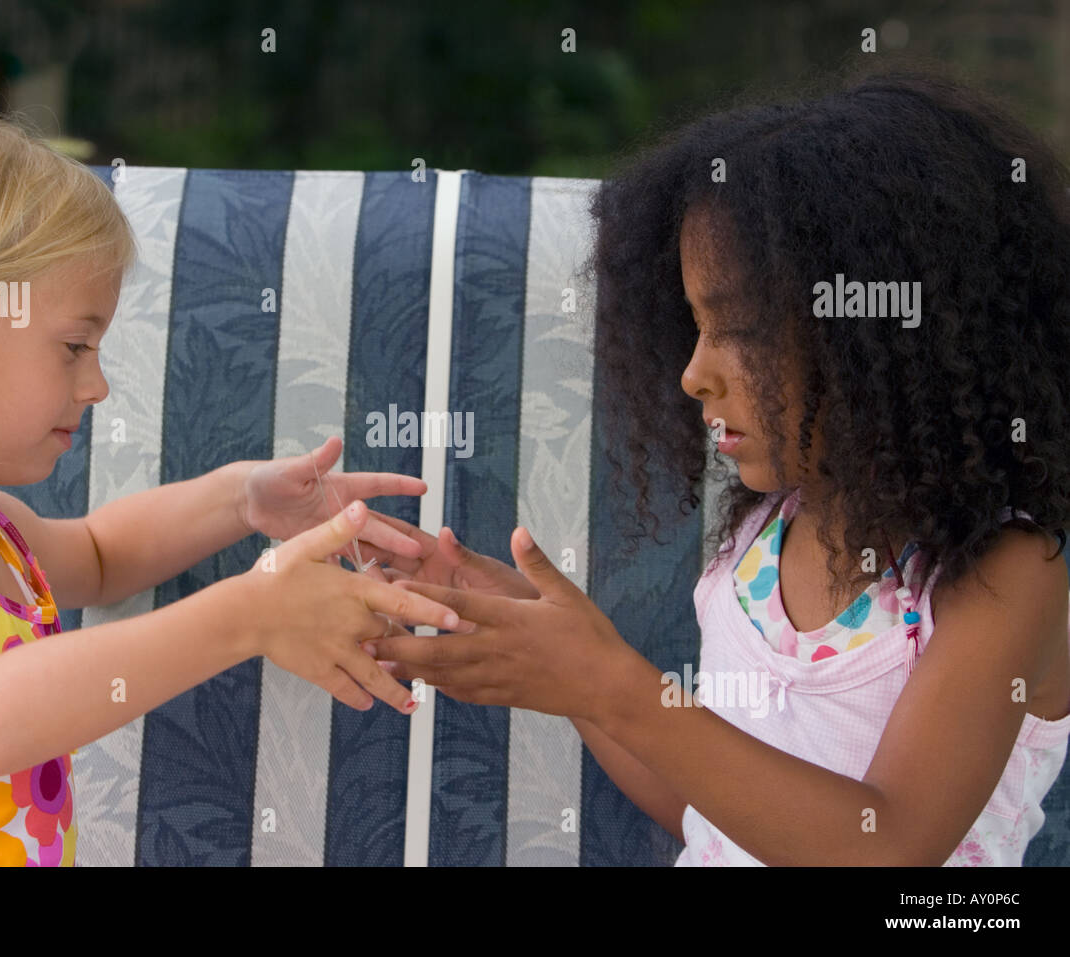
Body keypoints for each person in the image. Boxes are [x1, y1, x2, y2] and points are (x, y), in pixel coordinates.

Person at [362, 66, 1070, 866]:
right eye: (695, 325)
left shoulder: (1003, 578)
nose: (694, 373)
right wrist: (571, 662)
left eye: (741, 329)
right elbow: (719, 806)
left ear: (893, 335)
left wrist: (610, 684)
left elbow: (890, 842)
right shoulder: (763, 544)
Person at [0, 96, 457, 866]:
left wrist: (241, 497)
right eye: (72, 346)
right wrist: (247, 614)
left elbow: (101, 554)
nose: (96, 385)